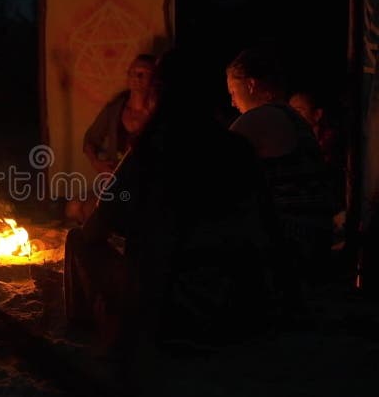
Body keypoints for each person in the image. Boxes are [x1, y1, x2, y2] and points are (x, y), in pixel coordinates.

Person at [64, 49, 277, 394]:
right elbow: (267, 228)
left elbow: (97, 227)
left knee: (77, 240)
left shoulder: (149, 152)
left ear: (163, 93)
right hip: (237, 310)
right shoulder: (238, 150)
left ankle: (99, 328)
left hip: (167, 314)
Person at [226, 48, 334, 284]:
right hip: (315, 236)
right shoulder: (290, 117)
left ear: (251, 85)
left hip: (293, 238)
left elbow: (216, 169)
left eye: (233, 92)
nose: (233, 103)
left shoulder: (262, 118)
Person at [65, 54, 158, 224]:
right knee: (73, 208)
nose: (137, 78)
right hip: (115, 180)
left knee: (96, 213)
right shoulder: (116, 109)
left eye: (143, 74)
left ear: (153, 78)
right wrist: (97, 163)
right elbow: (89, 140)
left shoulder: (158, 112)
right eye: (133, 73)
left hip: (145, 185)